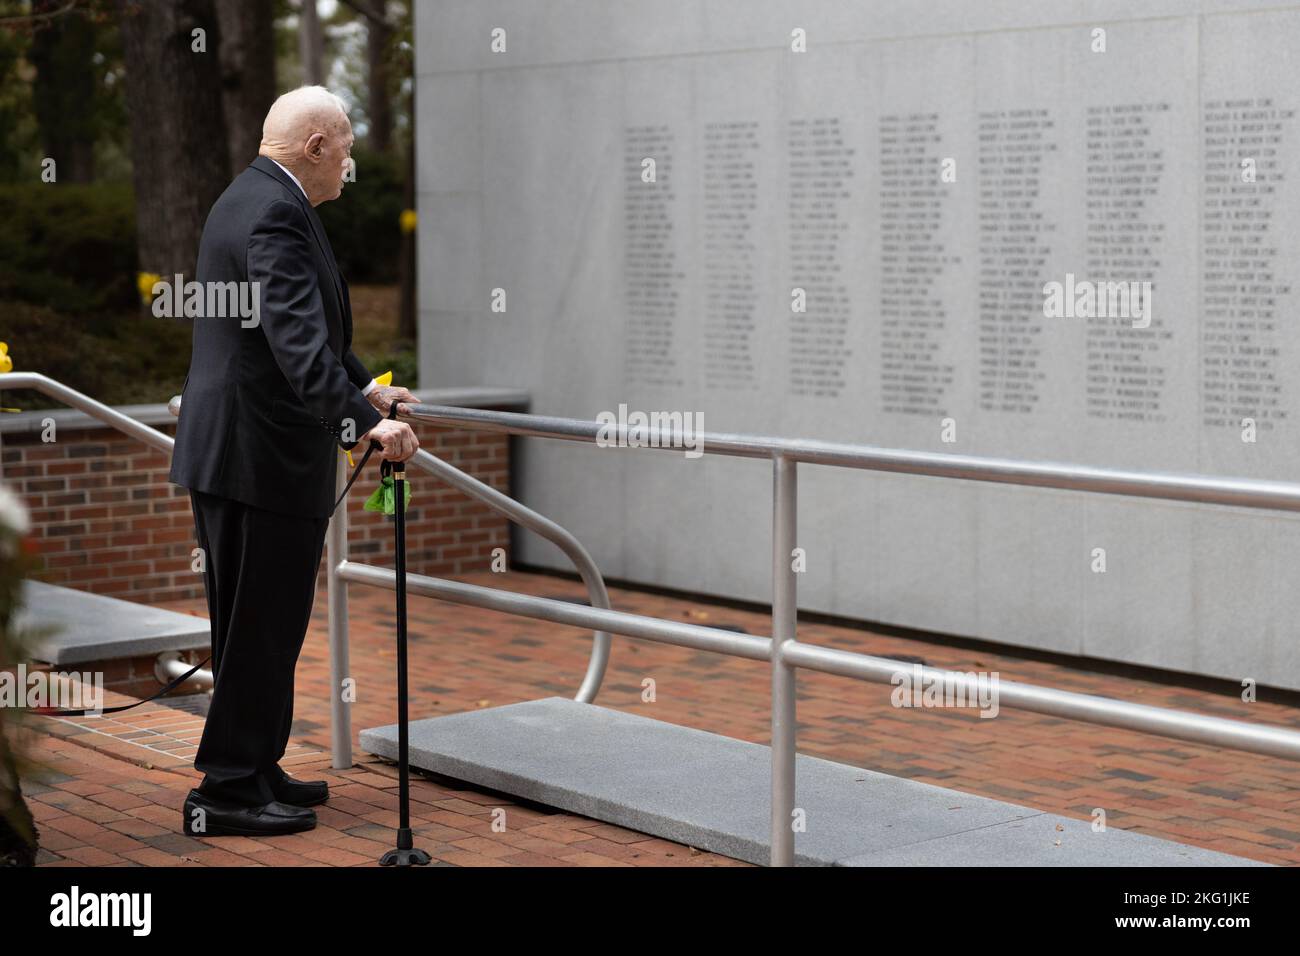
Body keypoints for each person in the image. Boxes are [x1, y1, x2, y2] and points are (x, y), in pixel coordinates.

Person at [168, 85, 420, 837]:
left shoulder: (248, 196)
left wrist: (368, 390)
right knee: (260, 629)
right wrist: (363, 424)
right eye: (345, 147)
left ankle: (255, 764)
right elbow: (296, 350)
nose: (350, 164)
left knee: (258, 626)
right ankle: (225, 793)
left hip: (241, 455)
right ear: (315, 147)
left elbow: (314, 333)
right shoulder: (278, 212)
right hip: (257, 459)